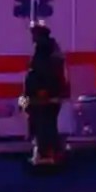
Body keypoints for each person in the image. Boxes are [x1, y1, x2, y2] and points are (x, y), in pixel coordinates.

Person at [20, 24, 68, 167]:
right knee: (50, 124)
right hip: (51, 96)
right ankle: (52, 152)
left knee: (42, 126)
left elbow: (39, 74)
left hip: (42, 97)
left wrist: (34, 92)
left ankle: (44, 155)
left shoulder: (42, 53)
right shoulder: (53, 50)